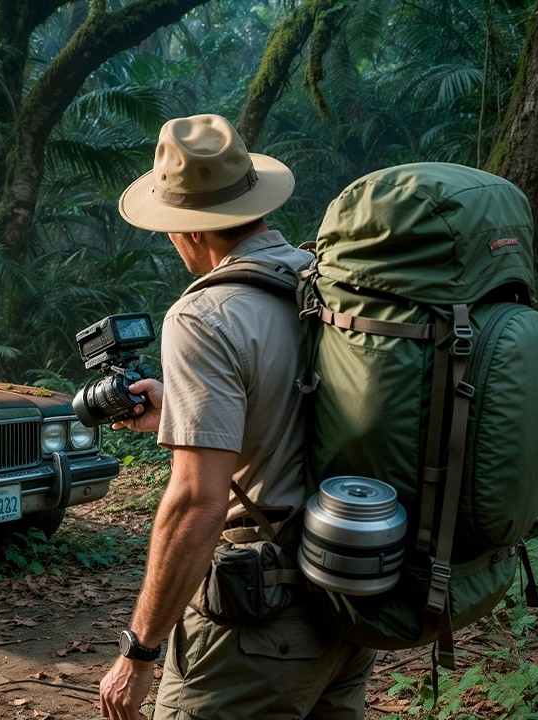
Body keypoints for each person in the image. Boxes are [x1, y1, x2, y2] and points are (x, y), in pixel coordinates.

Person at [97, 114, 376, 720]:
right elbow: (308, 404)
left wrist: (139, 652)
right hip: (347, 598)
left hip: (256, 623)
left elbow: (197, 503)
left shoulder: (205, 316)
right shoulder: (323, 283)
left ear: (190, 231)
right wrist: (183, 411)